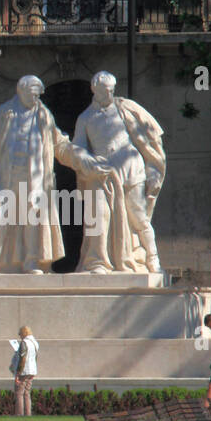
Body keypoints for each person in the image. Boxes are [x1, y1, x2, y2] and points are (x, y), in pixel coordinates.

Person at [62, 70, 166, 274]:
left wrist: (152, 168)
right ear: (94, 90)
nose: (108, 95)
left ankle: (152, 257)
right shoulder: (86, 117)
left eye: (111, 90)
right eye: (104, 91)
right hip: (104, 173)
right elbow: (78, 146)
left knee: (137, 216)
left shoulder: (126, 108)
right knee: (100, 217)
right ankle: (100, 261)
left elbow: (151, 139)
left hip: (131, 168)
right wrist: (86, 159)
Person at [0, 76, 67, 275]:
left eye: (38, 95)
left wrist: (80, 157)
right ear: (21, 91)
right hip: (6, 175)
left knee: (32, 220)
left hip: (33, 178)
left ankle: (31, 261)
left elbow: (58, 142)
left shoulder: (44, 115)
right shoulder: (2, 112)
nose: (36, 99)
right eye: (33, 95)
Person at [10, 326, 39, 416]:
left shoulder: (24, 343)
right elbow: (35, 357)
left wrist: (18, 373)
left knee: (19, 393)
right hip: (32, 370)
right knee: (27, 393)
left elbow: (23, 359)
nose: (19, 335)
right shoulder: (34, 342)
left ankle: (19, 414)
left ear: (24, 333)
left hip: (24, 371)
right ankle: (28, 413)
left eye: (20, 333)